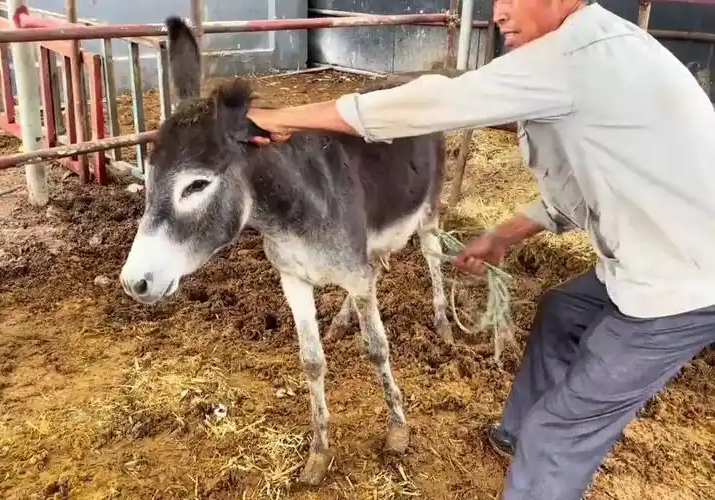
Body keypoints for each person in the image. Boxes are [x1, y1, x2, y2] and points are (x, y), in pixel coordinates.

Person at [245, 0, 715, 498]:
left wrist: (286, 118)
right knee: (561, 312)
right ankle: (515, 436)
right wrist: (501, 236)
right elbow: (584, 190)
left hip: (681, 281)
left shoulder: (577, 56)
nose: (499, 13)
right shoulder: (592, 51)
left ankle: (538, 458)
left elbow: (434, 104)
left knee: (558, 436)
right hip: (654, 249)